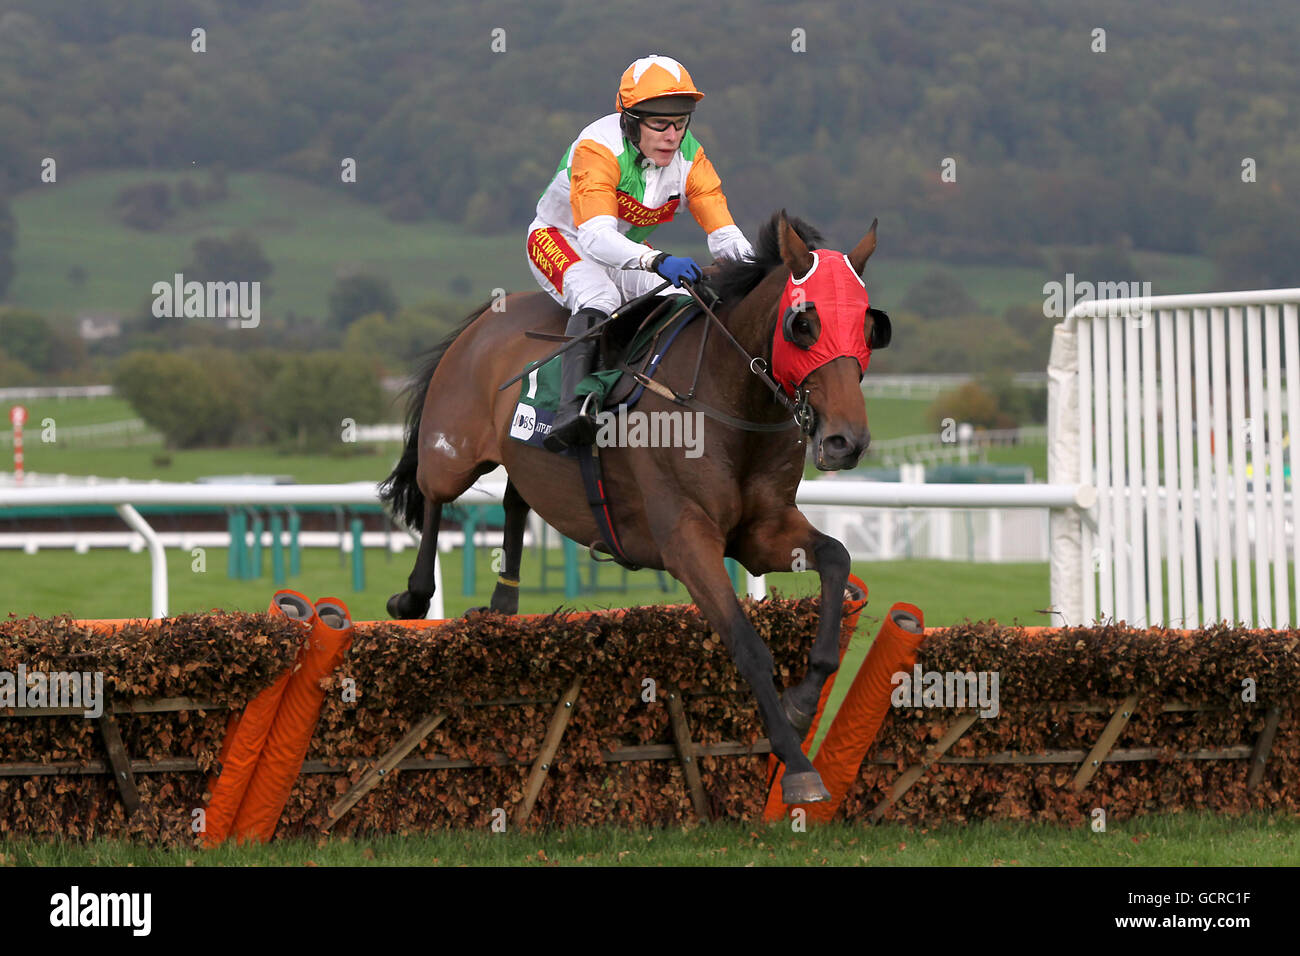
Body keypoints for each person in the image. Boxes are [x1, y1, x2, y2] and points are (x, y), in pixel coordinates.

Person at [526, 54, 755, 451]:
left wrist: (761, 269)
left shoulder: (691, 159)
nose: (672, 136)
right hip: (562, 237)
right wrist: (658, 259)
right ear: (631, 121)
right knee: (600, 296)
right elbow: (596, 237)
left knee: (685, 299)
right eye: (660, 124)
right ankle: (570, 409)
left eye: (681, 123)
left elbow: (724, 235)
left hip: (624, 248)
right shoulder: (597, 148)